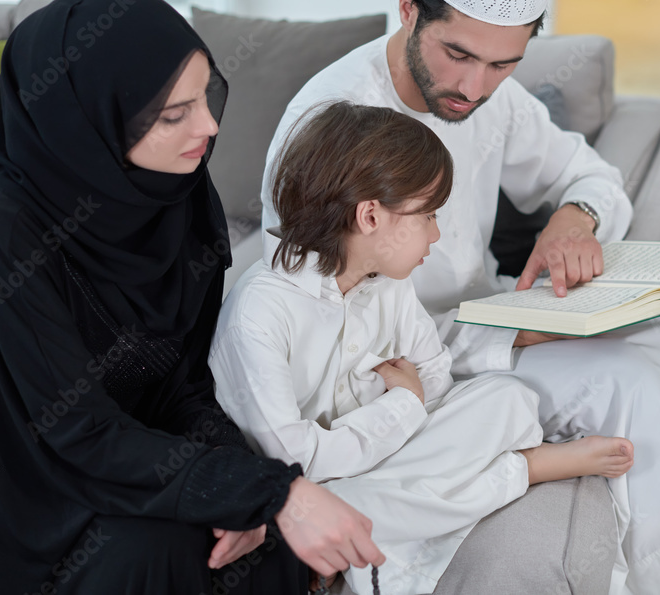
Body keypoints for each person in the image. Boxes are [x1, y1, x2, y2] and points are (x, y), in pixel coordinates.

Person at [259, 0, 660, 594]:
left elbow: (592, 175)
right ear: (409, 6)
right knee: (624, 379)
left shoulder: (491, 99)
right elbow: (338, 334)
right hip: (402, 363)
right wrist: (512, 333)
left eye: (503, 64)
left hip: (483, 310)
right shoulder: (334, 119)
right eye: (458, 54)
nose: (473, 86)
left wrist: (572, 219)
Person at [0, 0, 384, 595]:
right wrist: (271, 492)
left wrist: (246, 489)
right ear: (90, 120)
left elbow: (186, 389)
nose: (210, 126)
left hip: (134, 460)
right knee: (157, 554)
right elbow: (73, 430)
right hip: (23, 486)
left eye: (206, 96)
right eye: (172, 115)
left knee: (265, 543)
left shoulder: (178, 193)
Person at [209, 100, 635, 595]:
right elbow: (294, 461)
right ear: (370, 216)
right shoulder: (261, 311)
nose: (436, 233)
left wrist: (407, 408)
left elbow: (435, 374)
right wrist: (401, 406)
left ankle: (365, 527)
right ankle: (521, 469)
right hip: (308, 487)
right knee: (332, 498)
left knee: (508, 398)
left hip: (388, 455)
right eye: (428, 215)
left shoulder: (386, 282)